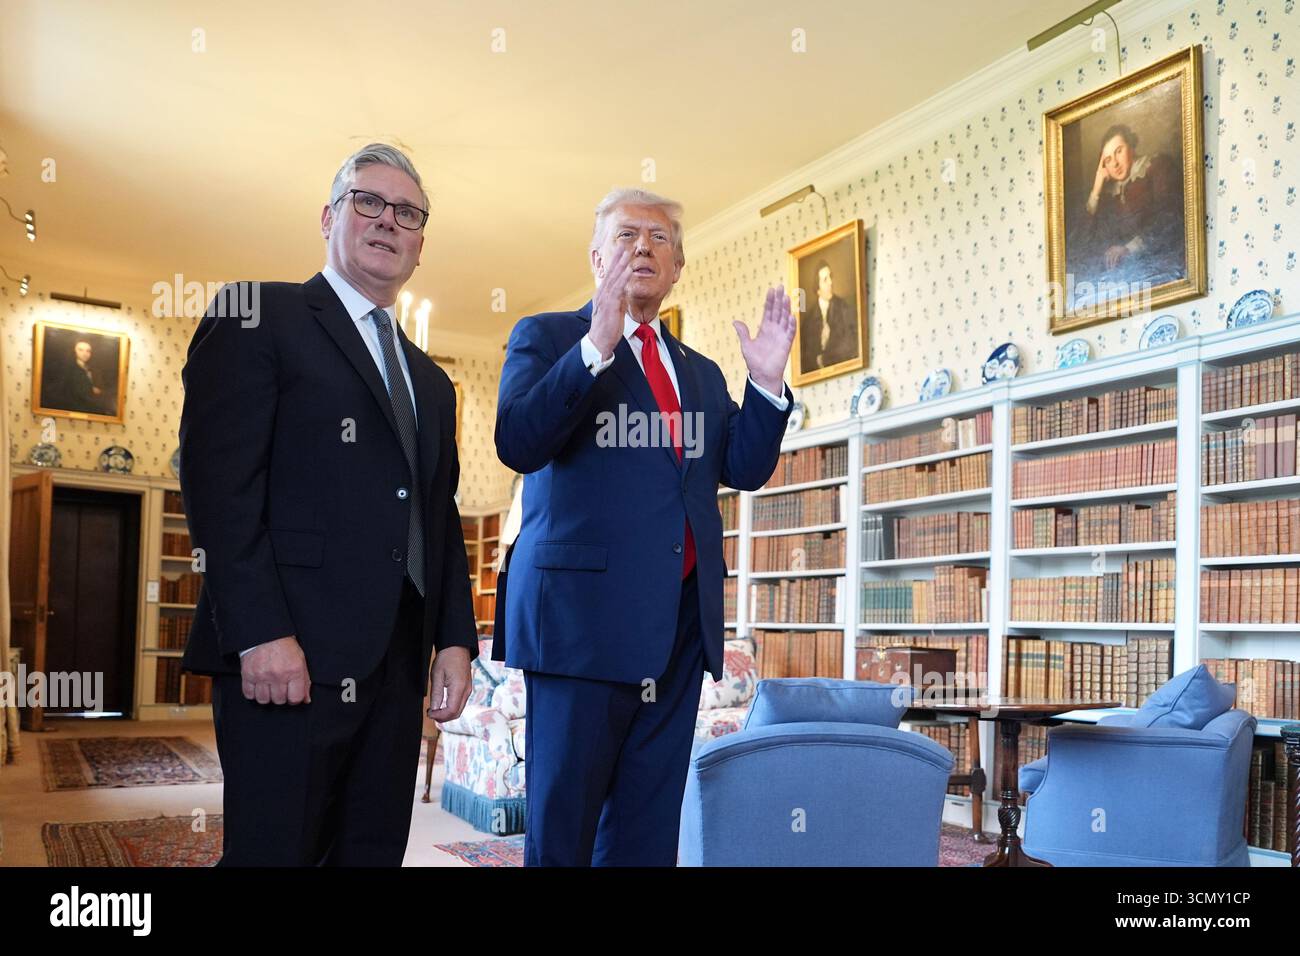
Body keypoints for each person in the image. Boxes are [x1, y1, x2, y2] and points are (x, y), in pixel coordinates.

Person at [179, 143, 477, 866]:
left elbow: (437, 517)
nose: (386, 220)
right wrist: (257, 632)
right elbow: (220, 490)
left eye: (406, 212)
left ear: (420, 245)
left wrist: (456, 640)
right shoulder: (261, 315)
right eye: (367, 201)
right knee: (276, 852)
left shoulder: (432, 384)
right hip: (290, 655)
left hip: (396, 666)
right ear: (328, 216)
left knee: (369, 852)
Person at [493, 187, 795, 865]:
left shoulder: (703, 375)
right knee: (562, 828)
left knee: (645, 830)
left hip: (678, 630)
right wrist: (595, 347)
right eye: (628, 235)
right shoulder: (545, 337)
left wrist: (768, 388)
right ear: (597, 255)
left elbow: (741, 469)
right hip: (579, 630)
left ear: (679, 267)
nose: (644, 248)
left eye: (661, 240)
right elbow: (518, 439)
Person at [1071, 123, 1184, 287]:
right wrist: (1096, 189)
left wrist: (1129, 248)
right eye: (1108, 160)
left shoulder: (1157, 166)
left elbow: (1170, 217)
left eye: (1119, 151)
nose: (1115, 163)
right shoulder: (1109, 197)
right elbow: (1081, 242)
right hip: (1128, 277)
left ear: (1131, 146)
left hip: (1164, 264)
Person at [800, 260, 855, 371]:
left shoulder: (844, 308)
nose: (830, 282)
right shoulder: (808, 320)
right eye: (825, 280)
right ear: (817, 288)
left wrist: (825, 359)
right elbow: (805, 357)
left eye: (830, 277)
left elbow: (851, 346)